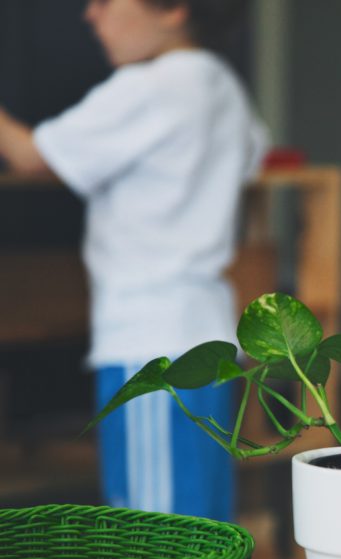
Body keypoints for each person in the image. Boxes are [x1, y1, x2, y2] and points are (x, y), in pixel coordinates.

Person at [0, 0, 267, 521]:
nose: (90, 16)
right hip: (208, 337)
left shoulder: (150, 87)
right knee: (204, 529)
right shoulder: (222, 84)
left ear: (173, 10)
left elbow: (34, 155)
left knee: (152, 535)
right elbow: (255, 155)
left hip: (151, 349)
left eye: (105, 1)